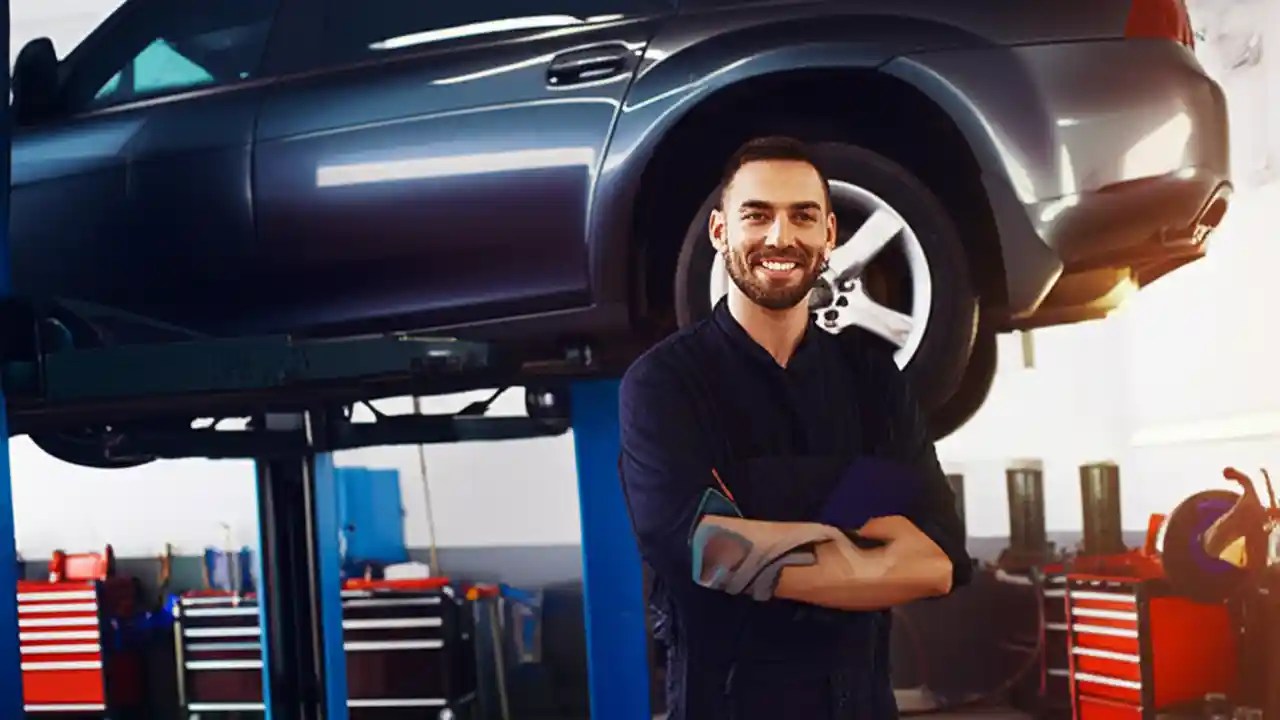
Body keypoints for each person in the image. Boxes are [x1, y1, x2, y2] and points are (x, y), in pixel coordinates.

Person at [617, 136, 972, 719]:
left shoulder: (873, 380)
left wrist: (764, 530)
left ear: (829, 235)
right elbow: (711, 553)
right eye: (756, 215)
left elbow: (939, 562)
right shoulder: (663, 385)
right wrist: (856, 538)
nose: (780, 238)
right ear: (718, 232)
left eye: (802, 216)